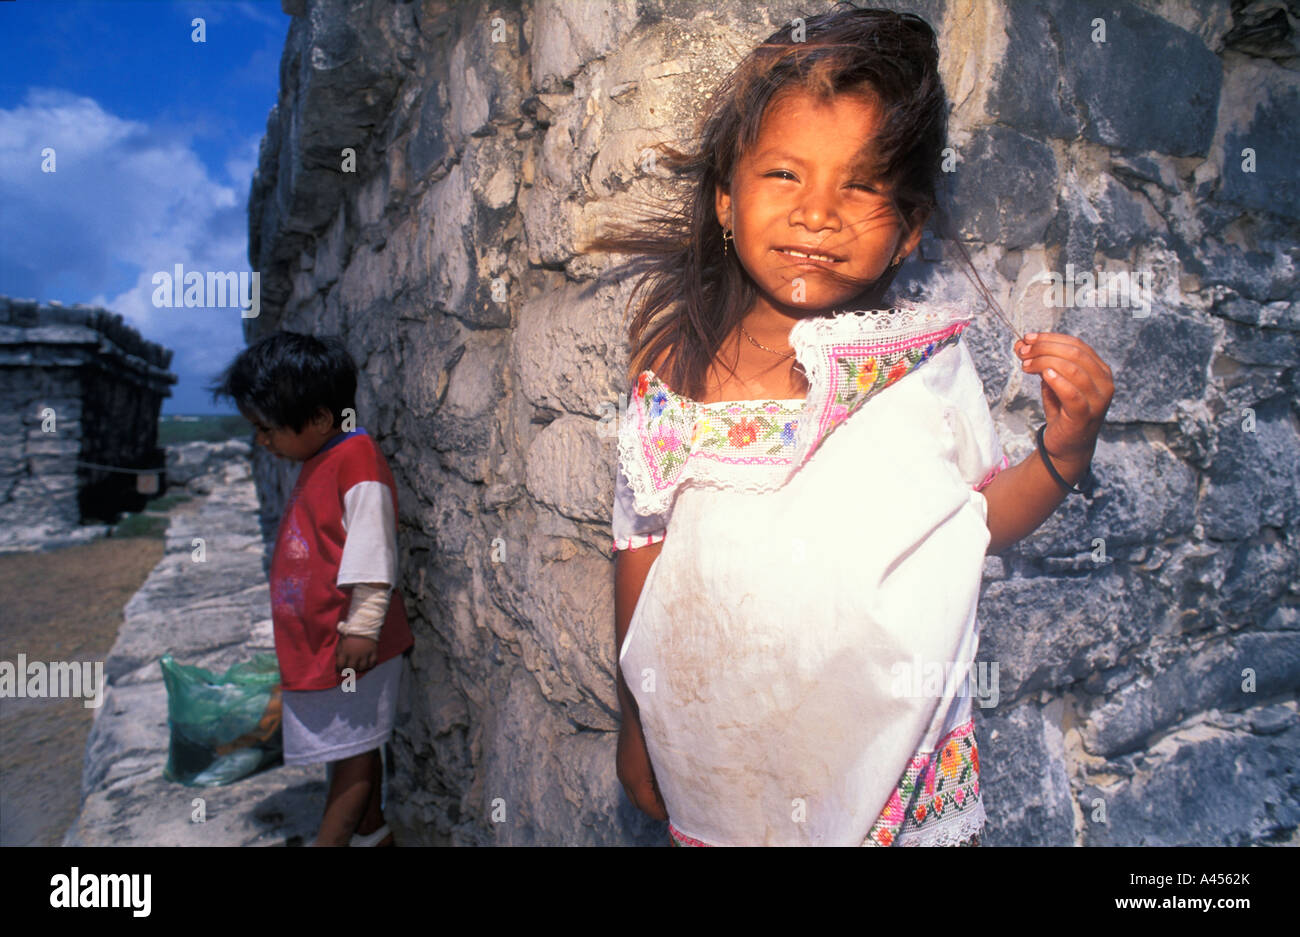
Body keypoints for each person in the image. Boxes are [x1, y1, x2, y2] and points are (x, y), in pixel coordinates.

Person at [584, 6, 1113, 846]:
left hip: (890, 770)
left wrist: (1065, 449)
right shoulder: (675, 375)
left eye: (861, 185)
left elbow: (975, 524)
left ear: (906, 232)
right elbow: (641, 554)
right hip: (728, 764)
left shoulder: (925, 369)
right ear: (726, 198)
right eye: (785, 176)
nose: (819, 213)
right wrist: (637, 721)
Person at [208, 332, 414, 846]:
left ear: (320, 419)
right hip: (325, 645)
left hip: (350, 646)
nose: (262, 441)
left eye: (267, 429)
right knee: (349, 746)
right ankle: (373, 834)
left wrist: (363, 629)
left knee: (352, 757)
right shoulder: (319, 459)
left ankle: (332, 840)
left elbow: (372, 550)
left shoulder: (355, 459)